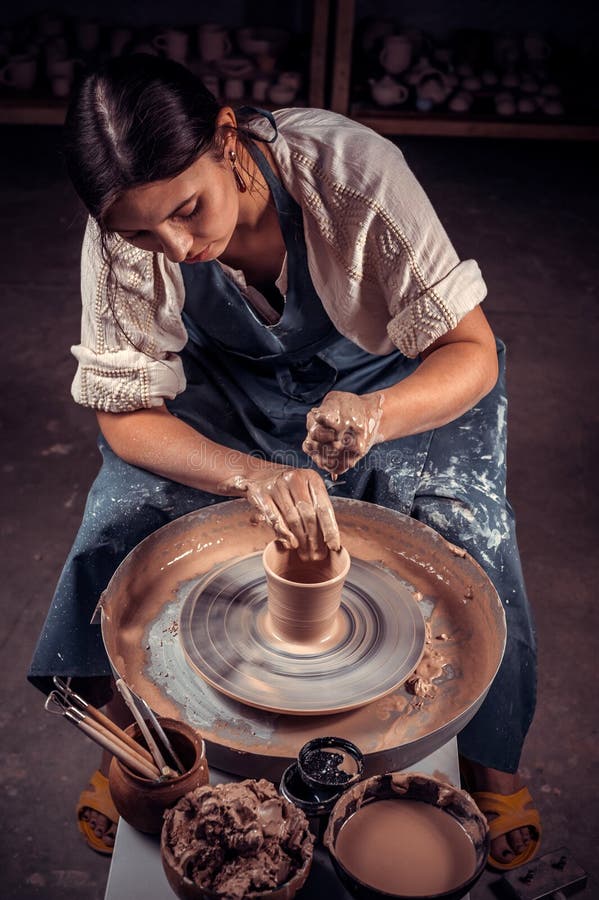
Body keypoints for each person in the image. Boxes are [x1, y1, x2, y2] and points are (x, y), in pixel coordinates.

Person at [29, 54, 540, 868]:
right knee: (128, 520)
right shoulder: (125, 231)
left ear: (227, 138)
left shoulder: (351, 173)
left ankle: (491, 768)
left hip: (388, 375)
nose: (175, 245)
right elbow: (125, 416)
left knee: (463, 526)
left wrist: (376, 415)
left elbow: (469, 350)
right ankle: (142, 752)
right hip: (223, 384)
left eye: (190, 209)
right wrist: (249, 475)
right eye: (140, 232)